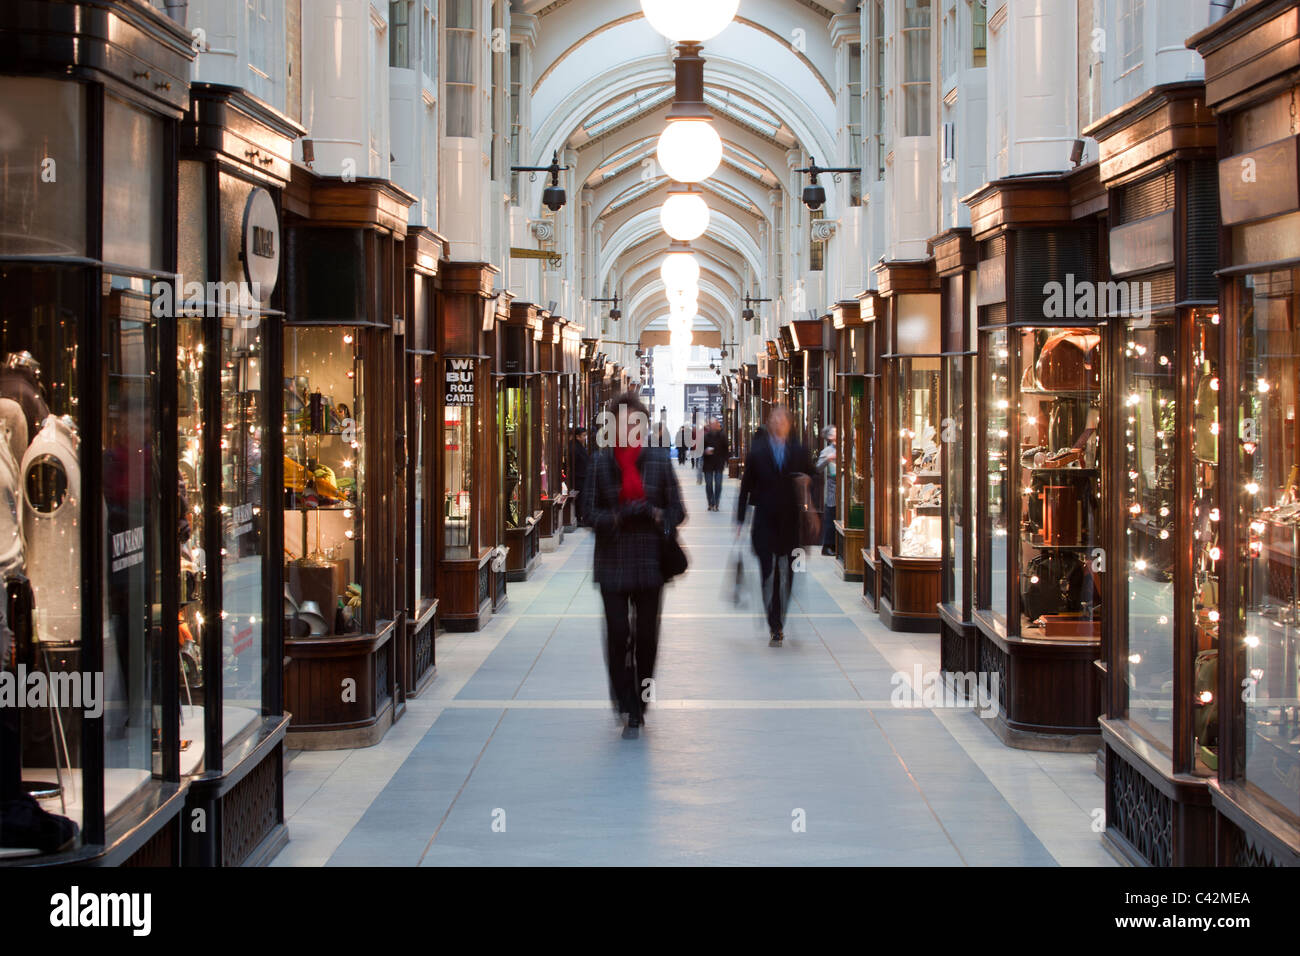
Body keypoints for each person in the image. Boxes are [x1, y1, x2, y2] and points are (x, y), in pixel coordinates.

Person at [583, 393, 686, 738]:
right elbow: (587, 512)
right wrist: (615, 517)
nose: (628, 428)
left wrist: (656, 514)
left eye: (634, 422)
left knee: (645, 637)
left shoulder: (658, 460)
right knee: (617, 634)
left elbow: (678, 511)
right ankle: (623, 698)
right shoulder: (599, 462)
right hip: (612, 561)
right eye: (621, 422)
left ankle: (641, 703)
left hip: (648, 562)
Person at [736, 406, 812, 646]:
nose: (779, 423)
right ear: (769, 423)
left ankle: (779, 617)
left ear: (790, 424)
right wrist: (740, 519)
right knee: (768, 573)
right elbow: (746, 486)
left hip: (790, 523)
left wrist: (808, 488)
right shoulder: (758, 452)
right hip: (764, 521)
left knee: (788, 574)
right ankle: (774, 624)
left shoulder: (798, 451)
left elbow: (811, 479)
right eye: (775, 419)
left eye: (783, 419)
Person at [816, 425, 837, 555]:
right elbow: (817, 468)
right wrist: (828, 459)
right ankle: (828, 545)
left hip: (845, 490)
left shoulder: (847, 448)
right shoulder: (827, 451)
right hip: (833, 489)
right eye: (835, 432)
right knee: (831, 516)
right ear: (830, 437)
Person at [702, 418, 729, 511]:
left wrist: (725, 461)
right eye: (711, 424)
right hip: (708, 465)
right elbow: (700, 450)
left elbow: (726, 449)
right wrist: (705, 451)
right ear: (709, 426)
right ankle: (710, 502)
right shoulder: (705, 437)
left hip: (719, 464)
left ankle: (716, 502)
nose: (713, 426)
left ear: (717, 425)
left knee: (718, 485)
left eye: (715, 424)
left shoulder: (722, 436)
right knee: (709, 485)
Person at [569, 427, 589, 524]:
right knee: (580, 499)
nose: (585, 437)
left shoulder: (578, 446)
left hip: (581, 476)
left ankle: (580, 517)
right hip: (578, 477)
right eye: (584, 435)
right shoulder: (575, 448)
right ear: (577, 436)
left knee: (581, 498)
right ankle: (579, 518)